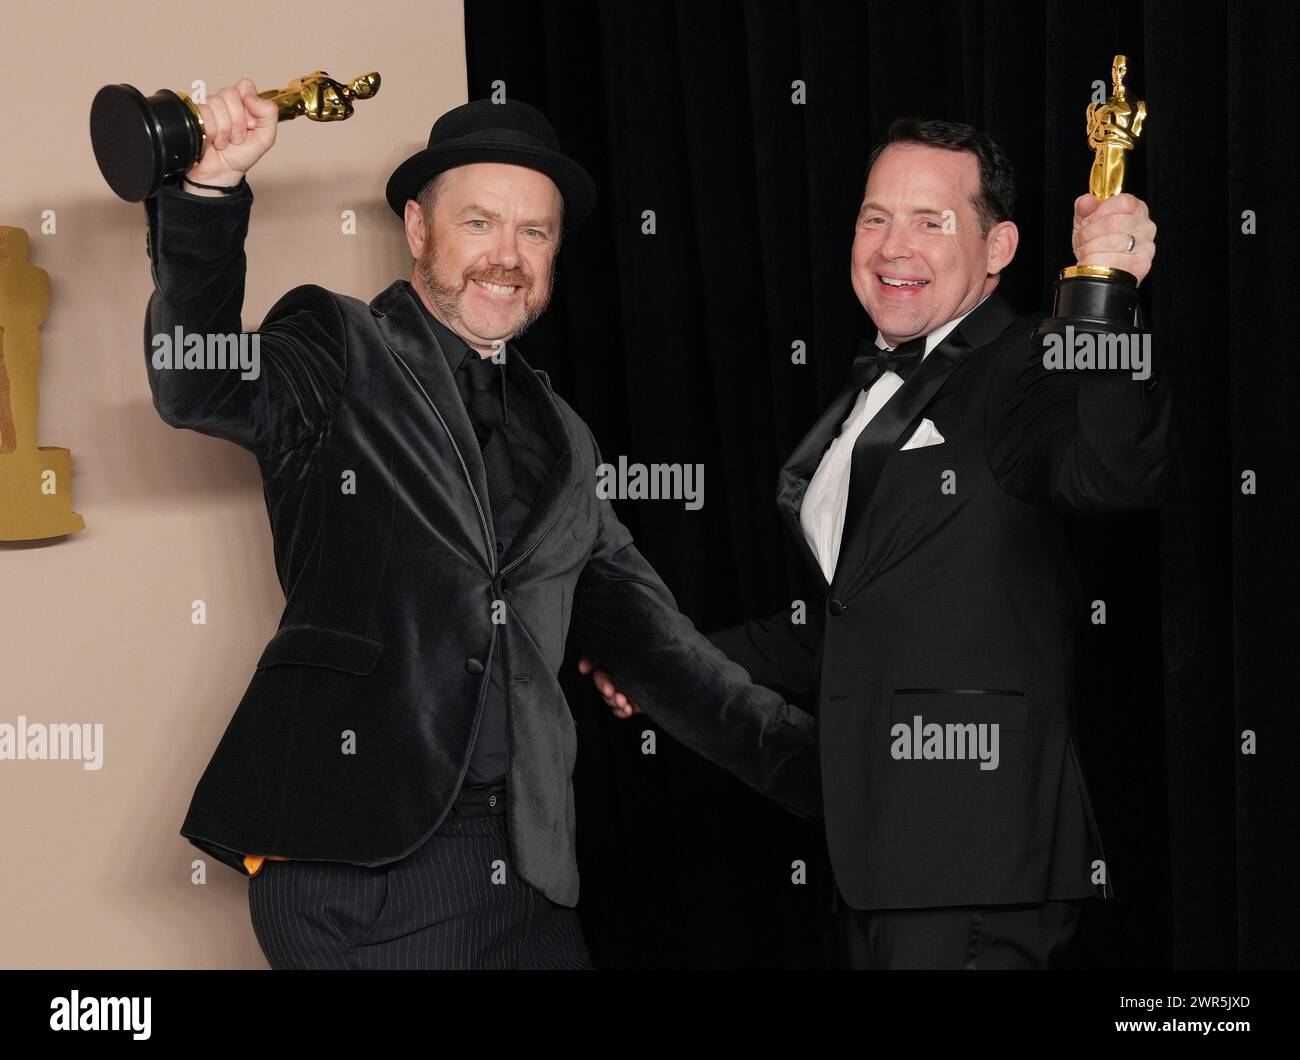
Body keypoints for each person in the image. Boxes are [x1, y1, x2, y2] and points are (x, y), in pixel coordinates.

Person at [144, 81, 821, 969]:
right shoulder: (339, 347)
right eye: (479, 224)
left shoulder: (564, 439)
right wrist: (208, 196)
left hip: (525, 867)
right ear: (418, 230)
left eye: (533, 232)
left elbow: (662, 652)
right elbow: (198, 382)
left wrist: (839, 779)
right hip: (362, 866)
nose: (507, 255)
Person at [583, 117, 1170, 969]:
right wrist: (665, 663)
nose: (894, 245)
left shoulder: (1019, 363)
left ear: (998, 245)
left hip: (975, 859)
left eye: (932, 221)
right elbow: (849, 630)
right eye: (875, 217)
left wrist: (1104, 296)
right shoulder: (877, 388)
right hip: (877, 858)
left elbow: (1116, 473)